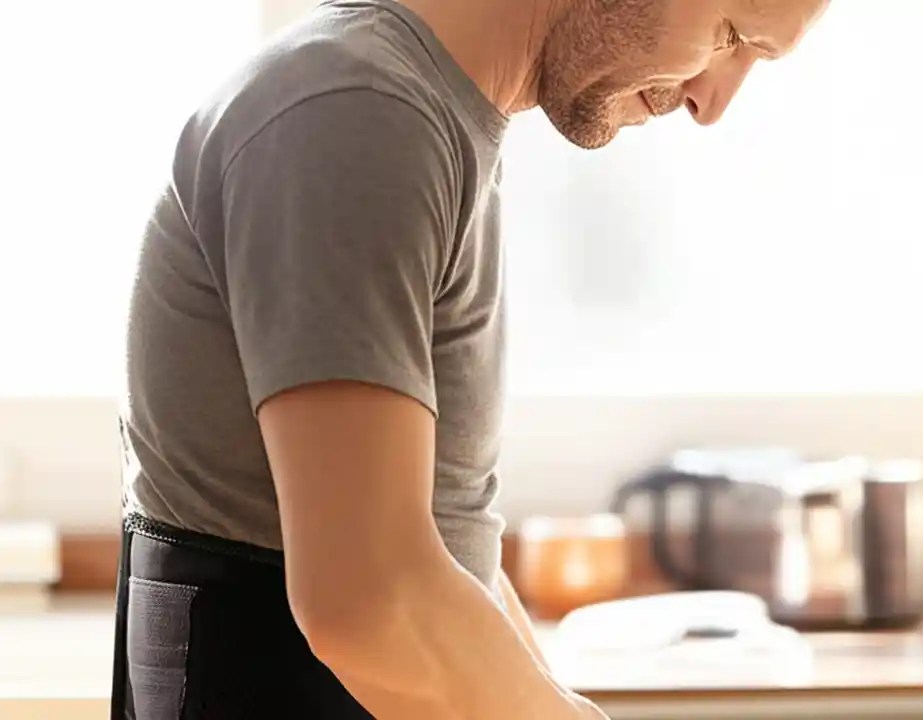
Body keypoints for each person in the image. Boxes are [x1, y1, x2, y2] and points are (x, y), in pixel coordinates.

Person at [111, 0, 828, 717]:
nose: (714, 103)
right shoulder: (354, 114)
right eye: (729, 35)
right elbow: (368, 600)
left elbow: (446, 542)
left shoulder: (422, 115)